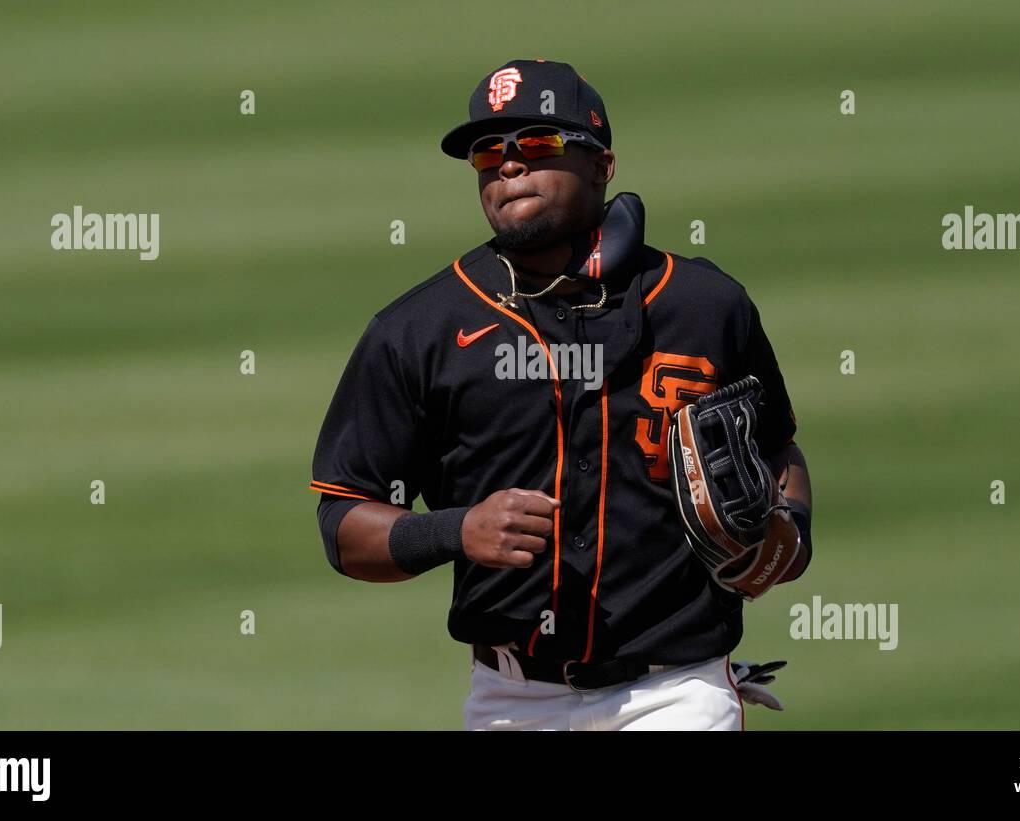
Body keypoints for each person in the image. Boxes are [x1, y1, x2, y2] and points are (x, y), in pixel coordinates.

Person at [311, 59, 812, 730]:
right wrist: (457, 529)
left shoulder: (705, 307)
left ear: (602, 164)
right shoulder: (420, 331)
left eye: (538, 142)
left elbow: (777, 446)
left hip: (677, 692)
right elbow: (344, 522)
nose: (508, 164)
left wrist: (790, 533)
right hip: (512, 701)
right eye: (487, 153)